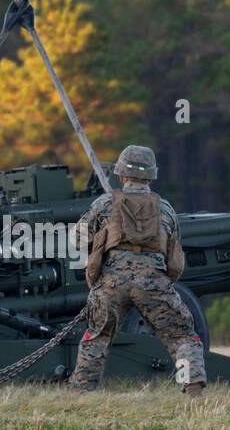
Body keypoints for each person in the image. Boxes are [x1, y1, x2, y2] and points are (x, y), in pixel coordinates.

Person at [69, 145, 207, 397]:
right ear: (151, 176)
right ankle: (193, 387)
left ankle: (81, 394)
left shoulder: (105, 203)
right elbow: (174, 256)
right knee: (182, 336)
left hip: (111, 282)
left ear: (121, 175)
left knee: (97, 338)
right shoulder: (165, 208)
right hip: (153, 282)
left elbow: (77, 239)